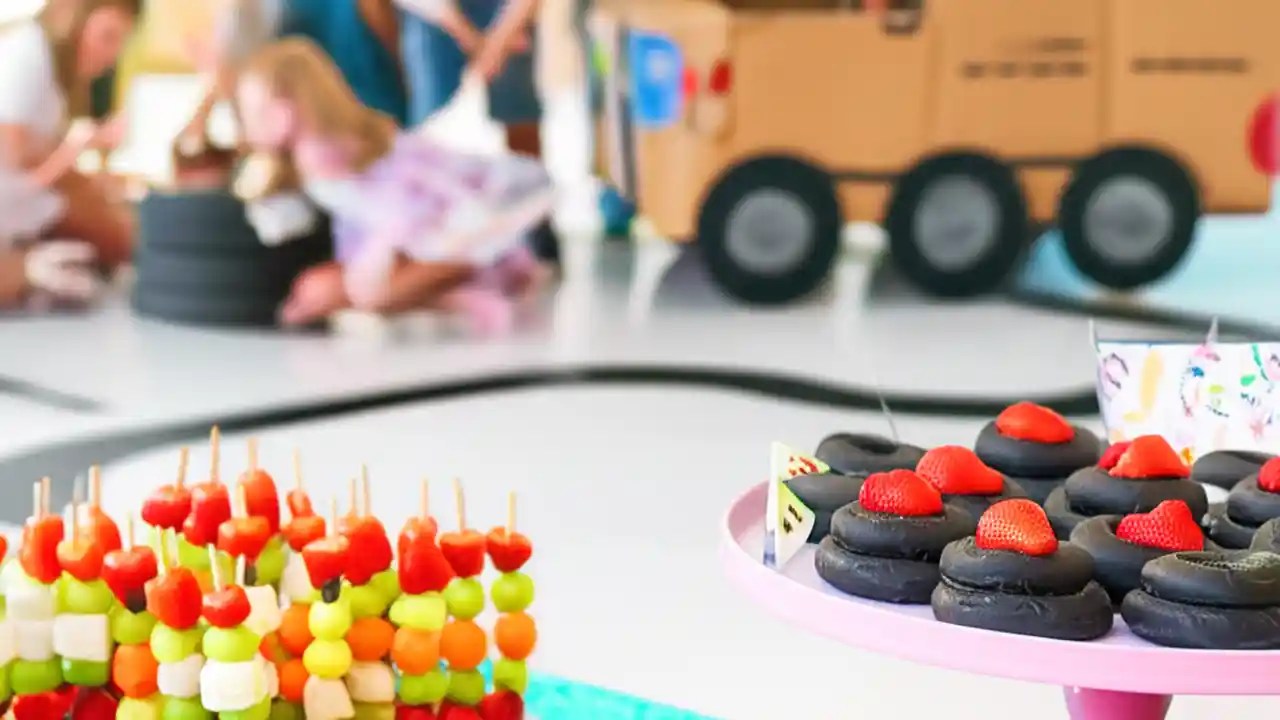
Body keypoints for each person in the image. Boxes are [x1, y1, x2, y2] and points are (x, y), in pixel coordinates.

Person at [233, 39, 553, 333]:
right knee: (318, 288)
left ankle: (465, 291)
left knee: (365, 289)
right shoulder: (303, 157)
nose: (251, 124)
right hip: (395, 239)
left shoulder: (324, 155)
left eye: (259, 111)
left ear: (292, 102)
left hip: (426, 231)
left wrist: (377, 256)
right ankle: (463, 289)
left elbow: (398, 215)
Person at [0, 0, 139, 309]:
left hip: (27, 199)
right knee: (125, 236)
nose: (111, 55)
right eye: (108, 36)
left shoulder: (50, 65)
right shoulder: (25, 53)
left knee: (119, 216)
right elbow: (16, 162)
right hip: (17, 202)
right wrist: (76, 149)